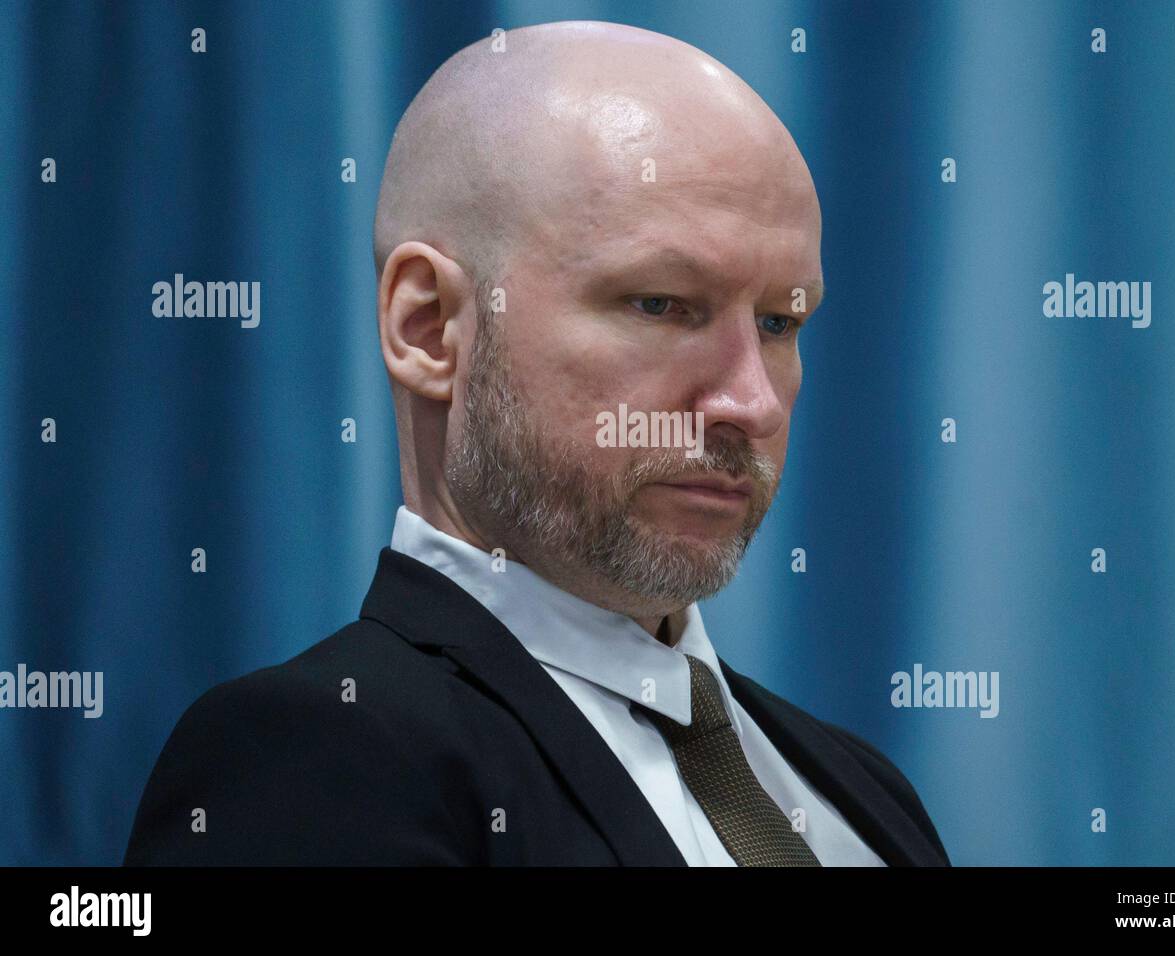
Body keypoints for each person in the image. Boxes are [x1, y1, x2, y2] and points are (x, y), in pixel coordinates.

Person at [123, 20, 949, 867]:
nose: (752, 401)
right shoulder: (310, 756)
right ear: (430, 327)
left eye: (779, 321)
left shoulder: (866, 790)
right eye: (661, 304)